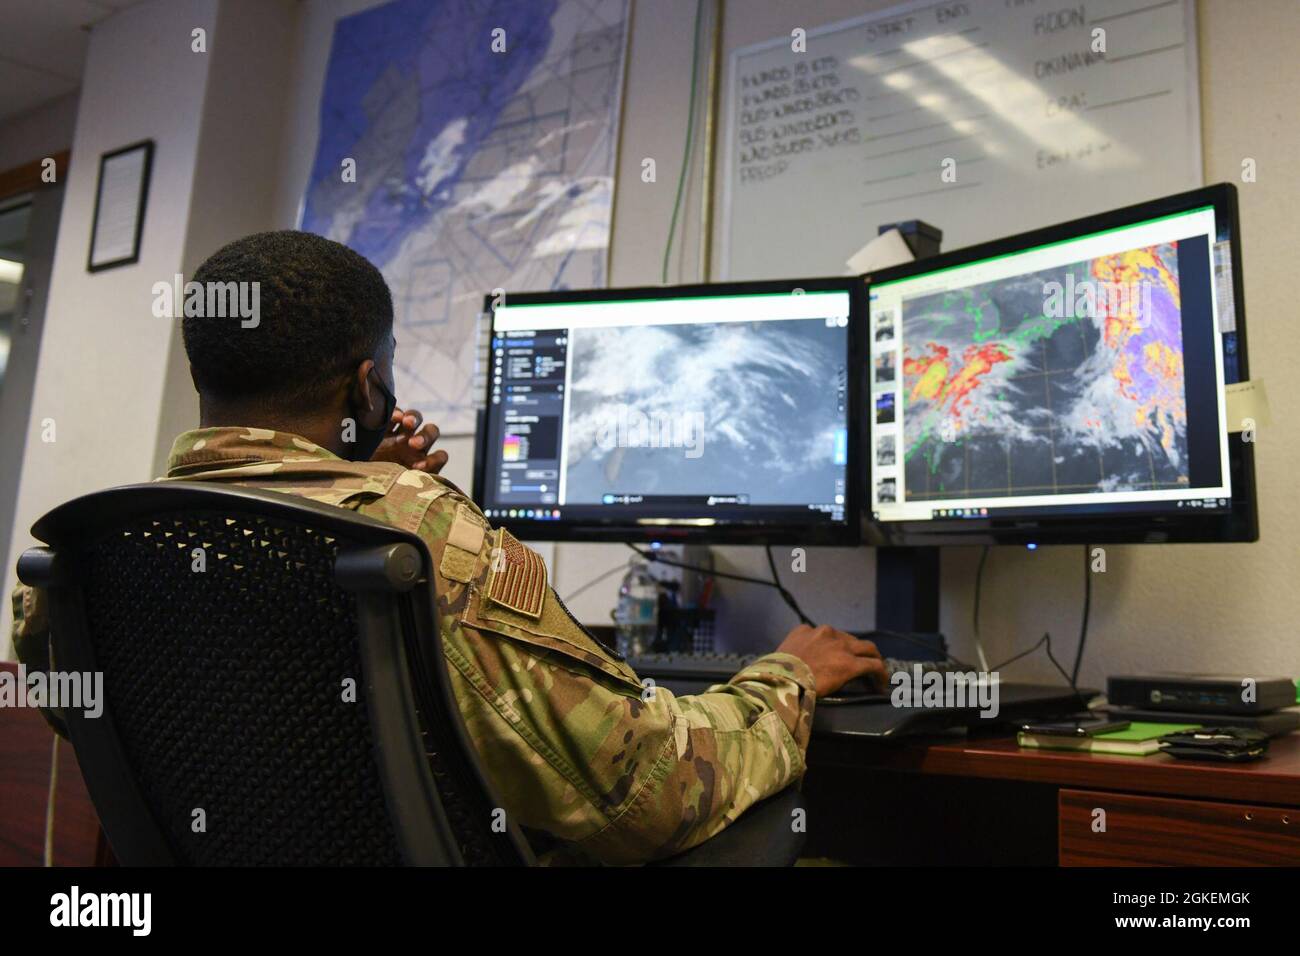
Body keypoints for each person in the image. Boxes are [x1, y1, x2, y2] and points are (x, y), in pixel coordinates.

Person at [11, 231, 886, 864]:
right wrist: (787, 675)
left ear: (205, 375)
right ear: (369, 382)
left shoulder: (94, 546)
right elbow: (645, 793)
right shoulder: (417, 528)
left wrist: (349, 489)